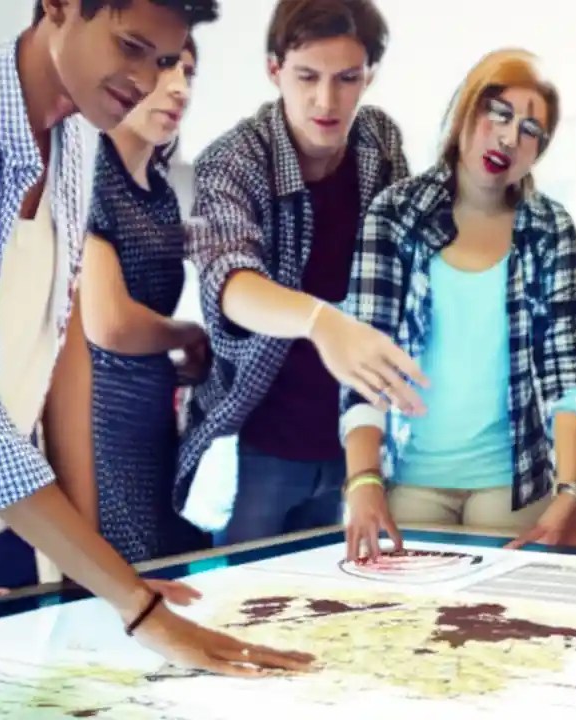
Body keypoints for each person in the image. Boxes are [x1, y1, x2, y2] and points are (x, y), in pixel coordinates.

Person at [0, 0, 312, 674]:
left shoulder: (79, 135)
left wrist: (90, 571)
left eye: (166, 61)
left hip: (3, 530)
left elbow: (64, 345)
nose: (147, 80)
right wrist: (134, 605)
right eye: (130, 46)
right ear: (58, 6)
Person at [181, 0, 424, 546]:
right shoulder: (235, 158)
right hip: (260, 437)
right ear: (274, 70)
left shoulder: (380, 142)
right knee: (244, 600)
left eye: (347, 79)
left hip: (352, 432)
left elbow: (403, 264)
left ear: (369, 76)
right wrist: (322, 322)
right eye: (307, 77)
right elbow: (230, 283)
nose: (326, 100)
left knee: (326, 607)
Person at [341, 48, 576, 561]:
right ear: (467, 109)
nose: (508, 137)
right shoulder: (395, 213)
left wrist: (571, 491)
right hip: (410, 479)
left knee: (509, 628)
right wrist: (362, 478)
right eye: (498, 113)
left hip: (512, 482)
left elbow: (566, 375)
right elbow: (365, 359)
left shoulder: (551, 228)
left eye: (529, 130)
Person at [80, 37, 210, 564]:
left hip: (155, 418)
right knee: (123, 575)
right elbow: (107, 322)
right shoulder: (89, 172)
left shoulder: (157, 188)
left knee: (163, 565)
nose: (177, 88)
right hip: (102, 423)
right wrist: (186, 334)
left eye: (187, 72)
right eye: (162, 67)